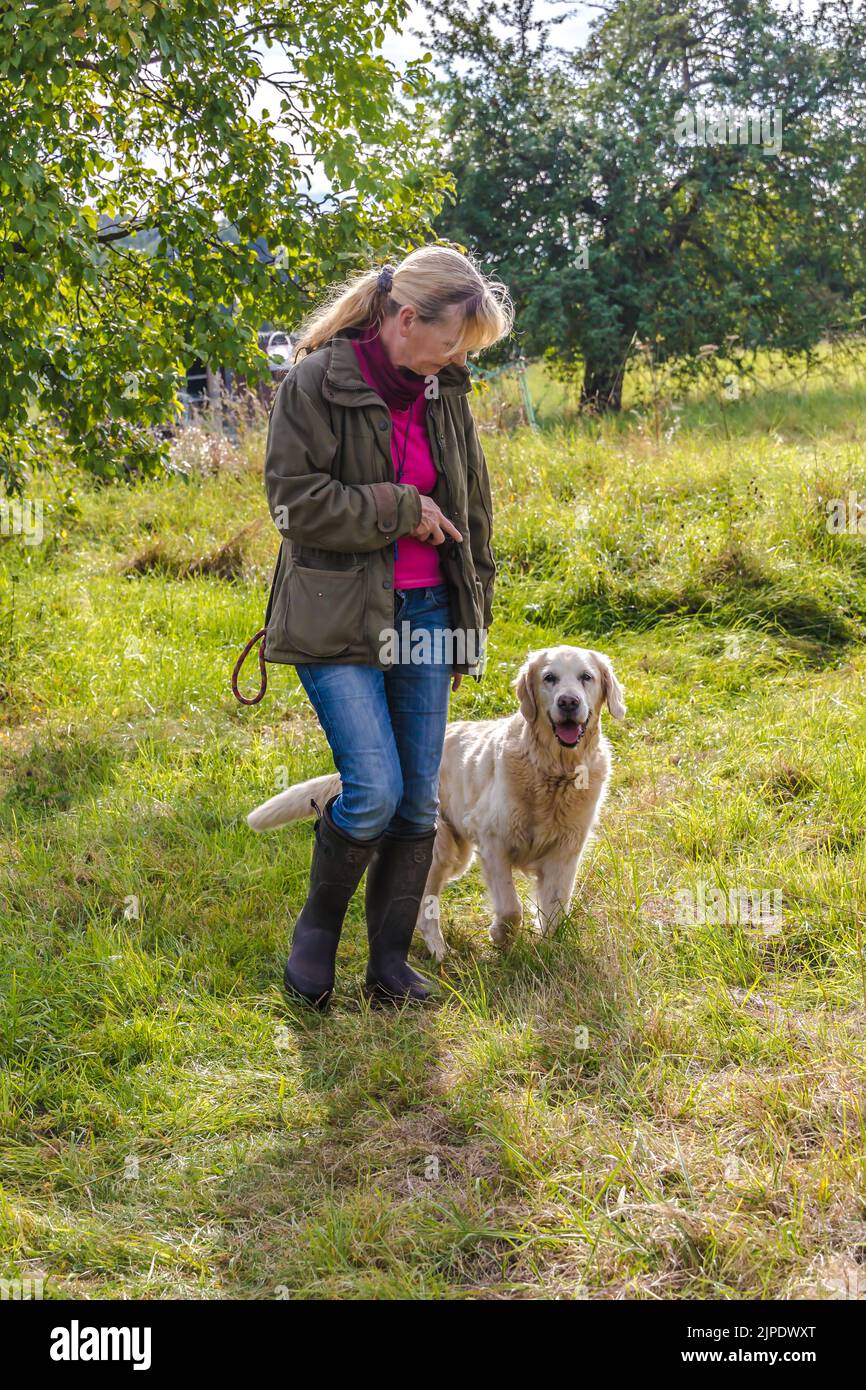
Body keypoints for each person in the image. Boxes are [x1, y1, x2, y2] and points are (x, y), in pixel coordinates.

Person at [261, 244, 513, 1009]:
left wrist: (472, 621)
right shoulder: (316, 382)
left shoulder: (445, 392)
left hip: (432, 615)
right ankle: (316, 936)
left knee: (416, 803)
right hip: (338, 616)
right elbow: (293, 503)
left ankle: (390, 968)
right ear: (406, 320)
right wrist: (400, 508)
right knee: (372, 790)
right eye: (447, 343)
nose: (451, 360)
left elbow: (473, 510)